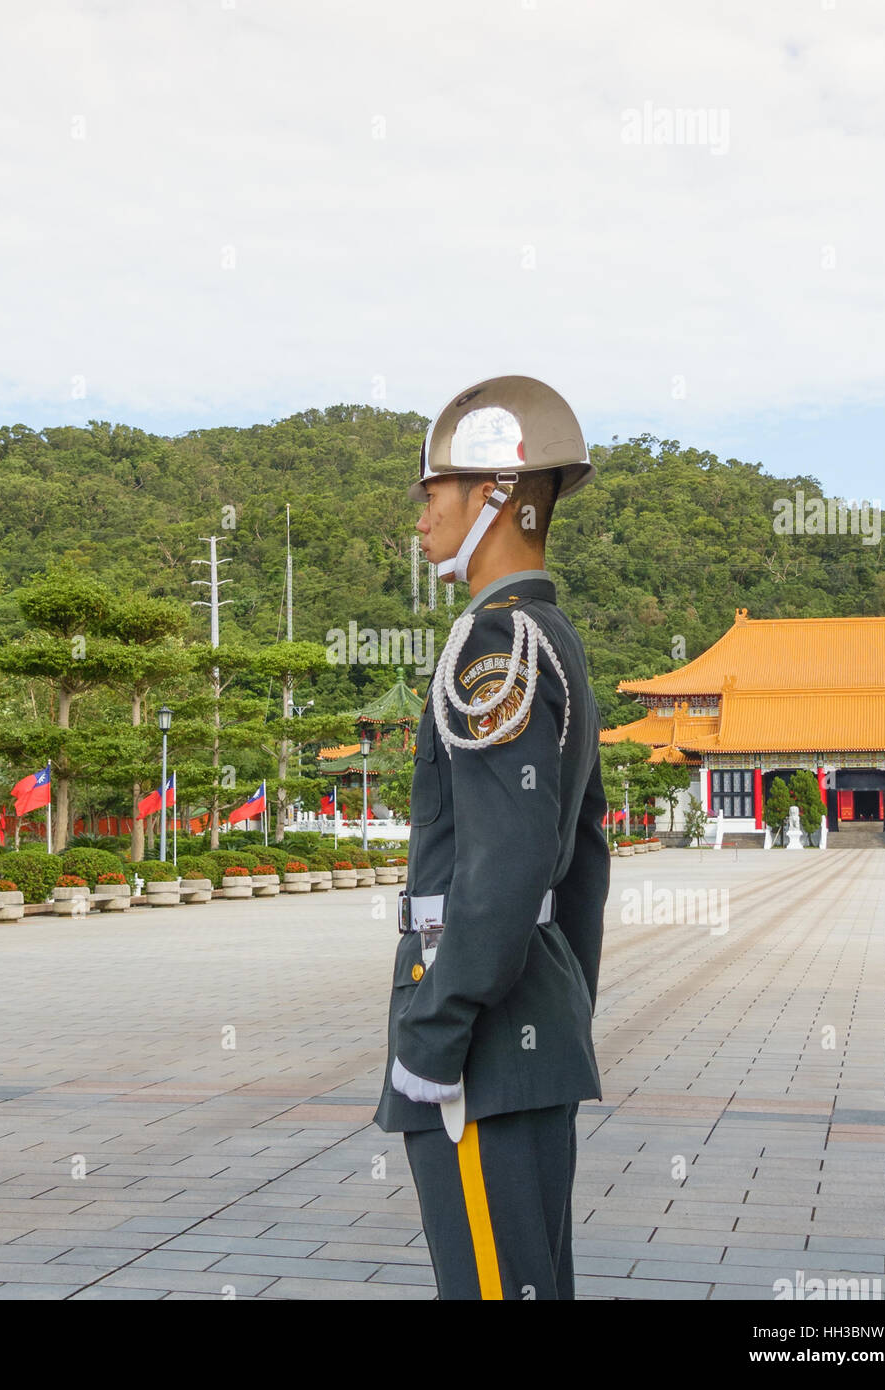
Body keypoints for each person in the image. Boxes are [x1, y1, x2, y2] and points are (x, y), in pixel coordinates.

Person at [372, 375, 609, 1301]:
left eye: (435, 489)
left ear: (496, 498)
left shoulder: (493, 645)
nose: (422, 511)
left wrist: (433, 1033)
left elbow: (505, 866)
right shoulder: (552, 635)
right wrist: (568, 1001)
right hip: (527, 1018)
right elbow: (579, 862)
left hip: (478, 1035)